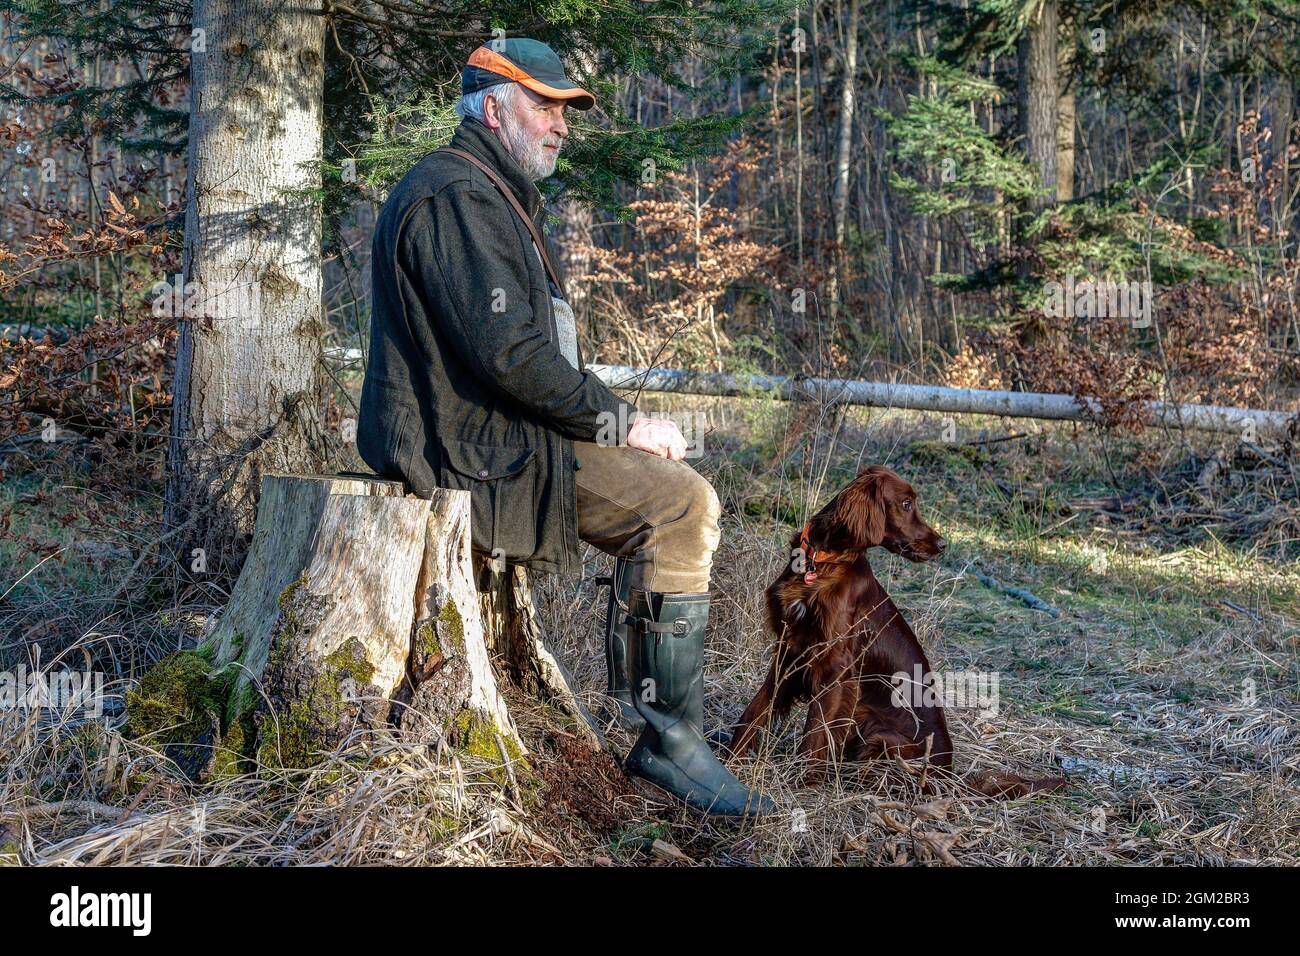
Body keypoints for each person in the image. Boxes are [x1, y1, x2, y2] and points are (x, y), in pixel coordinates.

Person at [357, 38, 773, 817]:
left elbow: (521, 351)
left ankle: (667, 735)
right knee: (681, 505)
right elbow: (509, 353)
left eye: (565, 110)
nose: (560, 125)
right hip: (471, 450)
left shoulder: (490, 190)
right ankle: (669, 743)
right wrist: (620, 422)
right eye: (544, 106)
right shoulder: (455, 195)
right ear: (492, 107)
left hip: (502, 435)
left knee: (683, 497)